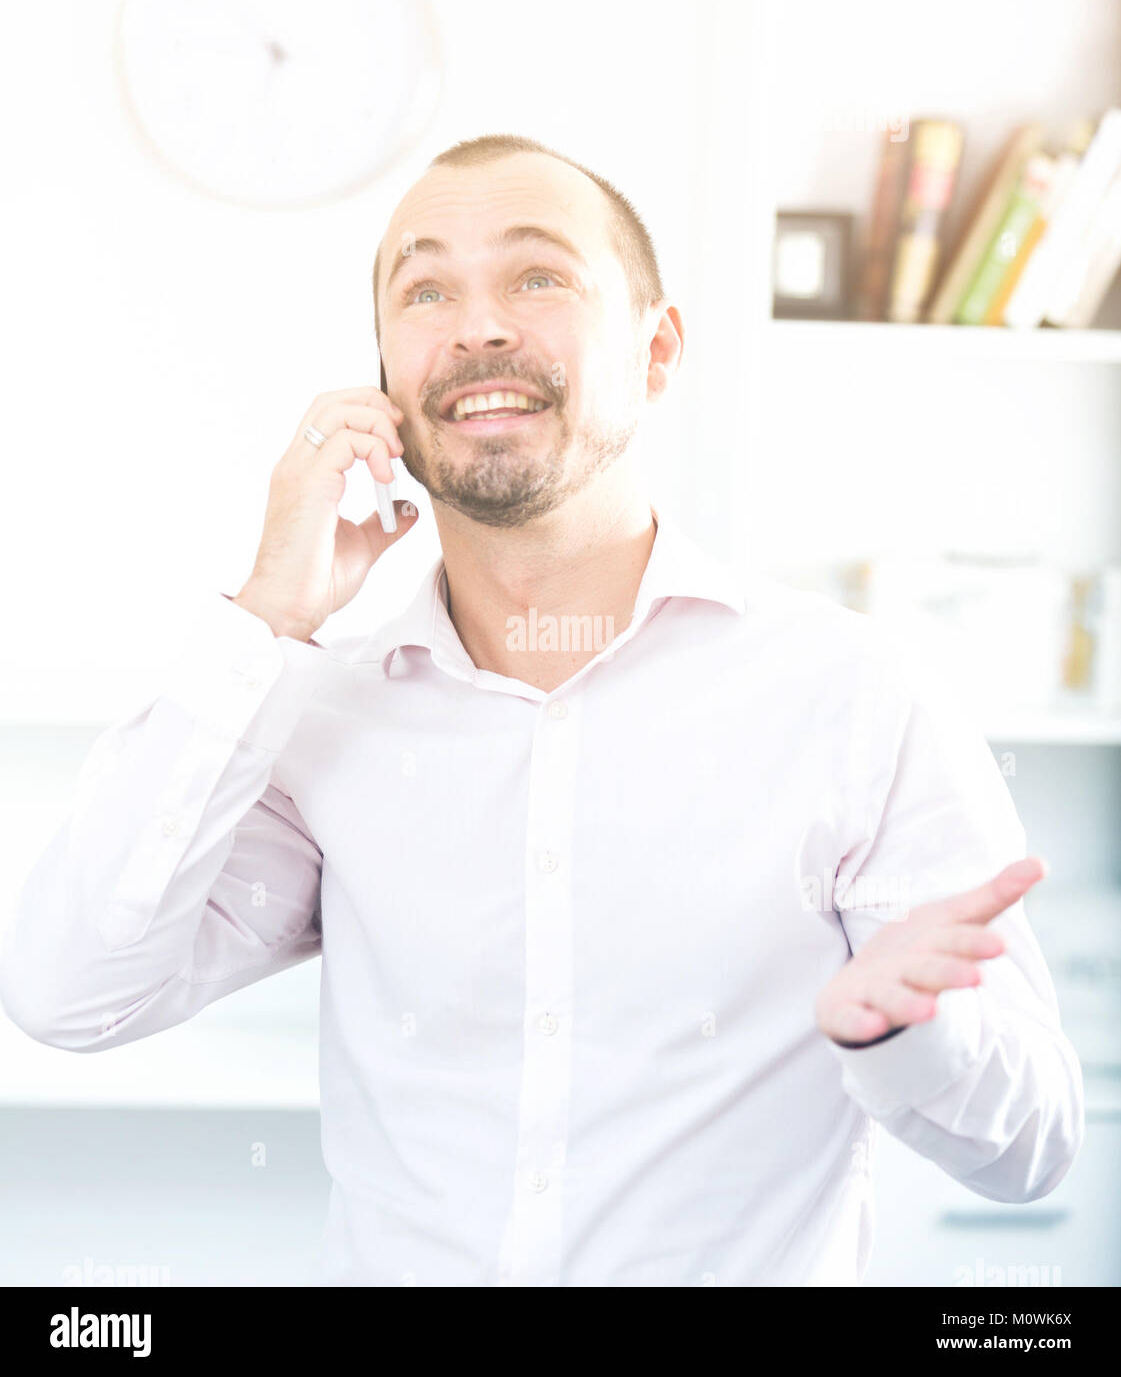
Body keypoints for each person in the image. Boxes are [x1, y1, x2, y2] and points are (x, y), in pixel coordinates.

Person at [0, 134, 1083, 1287]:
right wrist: (265, 613)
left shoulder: (855, 696)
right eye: (425, 291)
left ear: (655, 349)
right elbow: (69, 993)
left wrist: (913, 1032)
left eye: (537, 276)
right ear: (386, 391)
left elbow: (1034, 1149)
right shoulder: (322, 716)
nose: (477, 327)